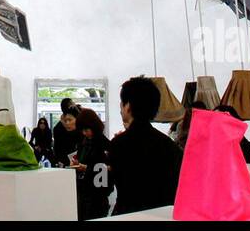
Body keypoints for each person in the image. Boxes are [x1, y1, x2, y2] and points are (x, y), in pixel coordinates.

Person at [108, 76, 182, 216]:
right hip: (163, 214)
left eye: (121, 104)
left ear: (128, 106)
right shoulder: (170, 146)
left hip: (128, 215)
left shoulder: (118, 144)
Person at [73, 108, 112, 220]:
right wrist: (77, 163)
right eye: (82, 130)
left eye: (86, 129)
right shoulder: (84, 142)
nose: (84, 133)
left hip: (98, 194)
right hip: (83, 190)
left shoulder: (104, 144)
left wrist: (86, 168)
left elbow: (106, 170)